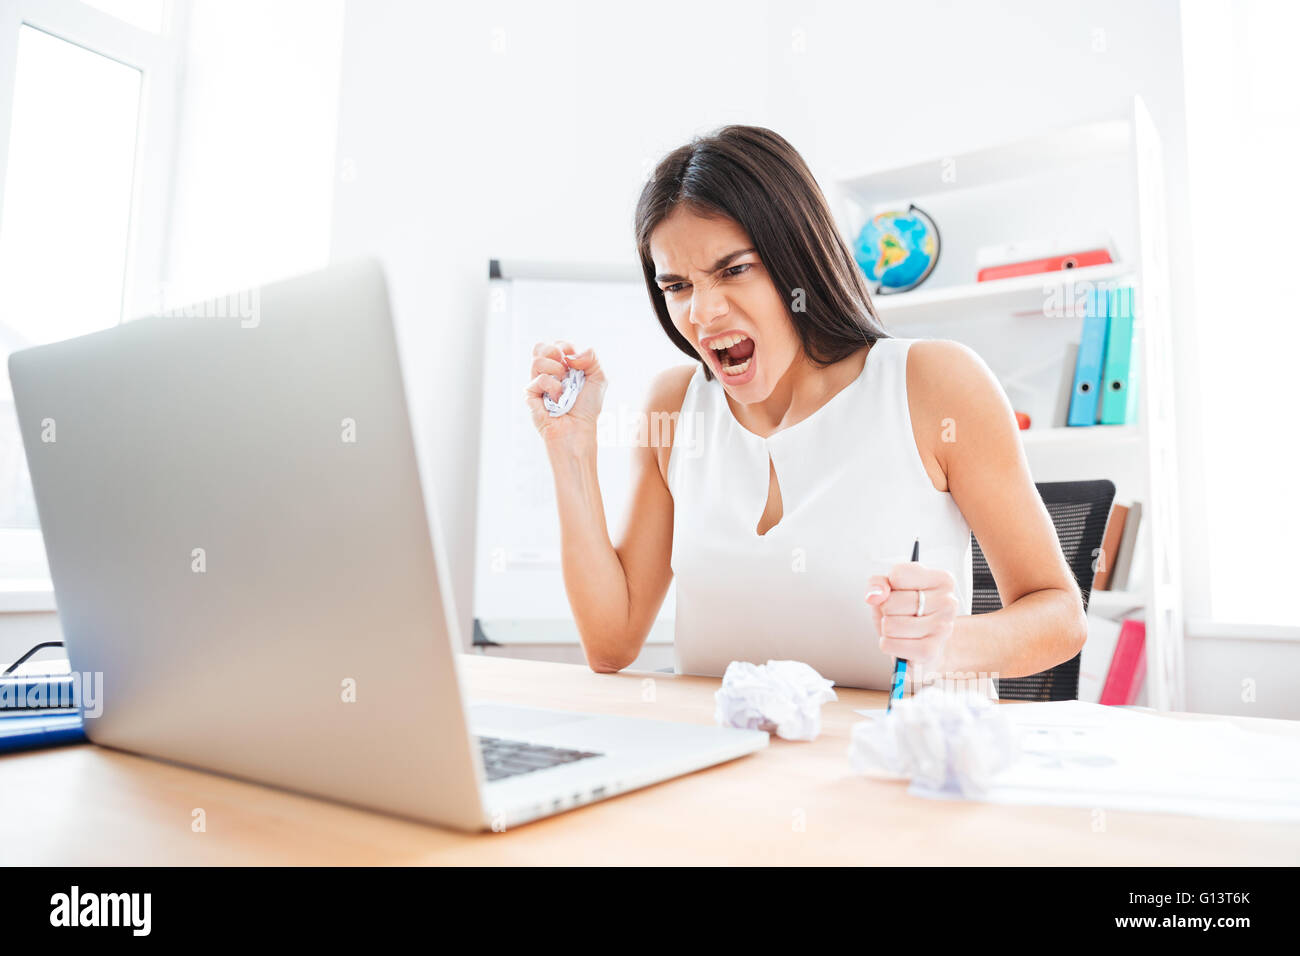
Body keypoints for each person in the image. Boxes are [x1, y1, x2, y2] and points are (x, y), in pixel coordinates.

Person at [524, 125, 1086, 691]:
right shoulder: (675, 408)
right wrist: (569, 449)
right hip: (728, 766)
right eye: (677, 286)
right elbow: (611, 642)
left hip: (893, 763)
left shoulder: (935, 384)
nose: (703, 312)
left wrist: (949, 643)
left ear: (797, 255)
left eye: (734, 269)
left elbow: (1060, 614)